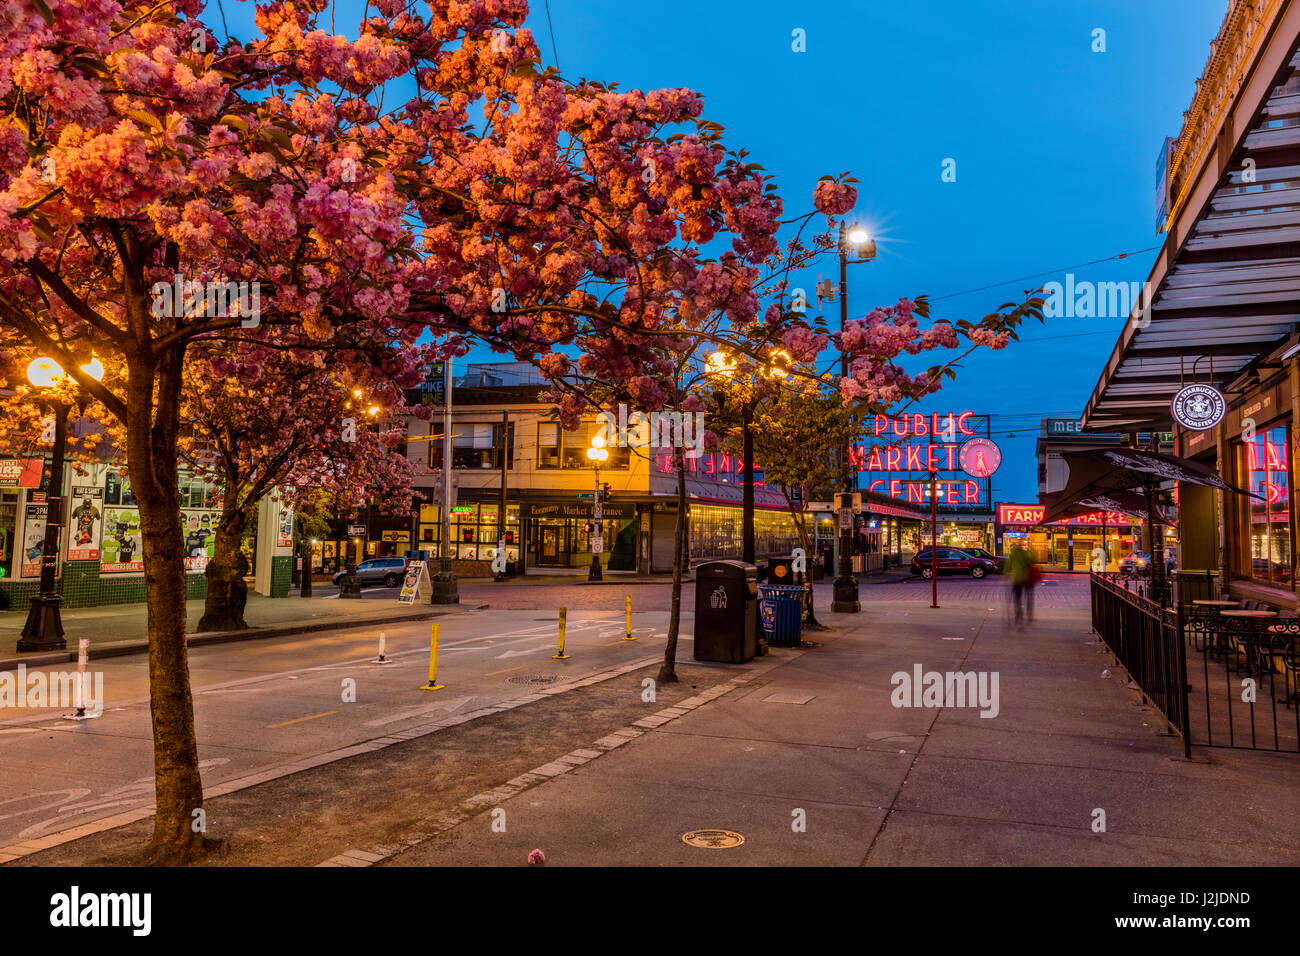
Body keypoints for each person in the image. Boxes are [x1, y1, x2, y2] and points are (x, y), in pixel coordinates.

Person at [1005, 545, 1035, 626]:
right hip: (1026, 578)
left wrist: (1006, 576)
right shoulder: (1025, 554)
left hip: (1017, 580)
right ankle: (1029, 612)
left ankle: (1018, 613)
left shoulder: (1012, 556)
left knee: (1017, 598)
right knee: (1028, 595)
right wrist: (1029, 551)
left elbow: (1008, 567)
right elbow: (1031, 561)